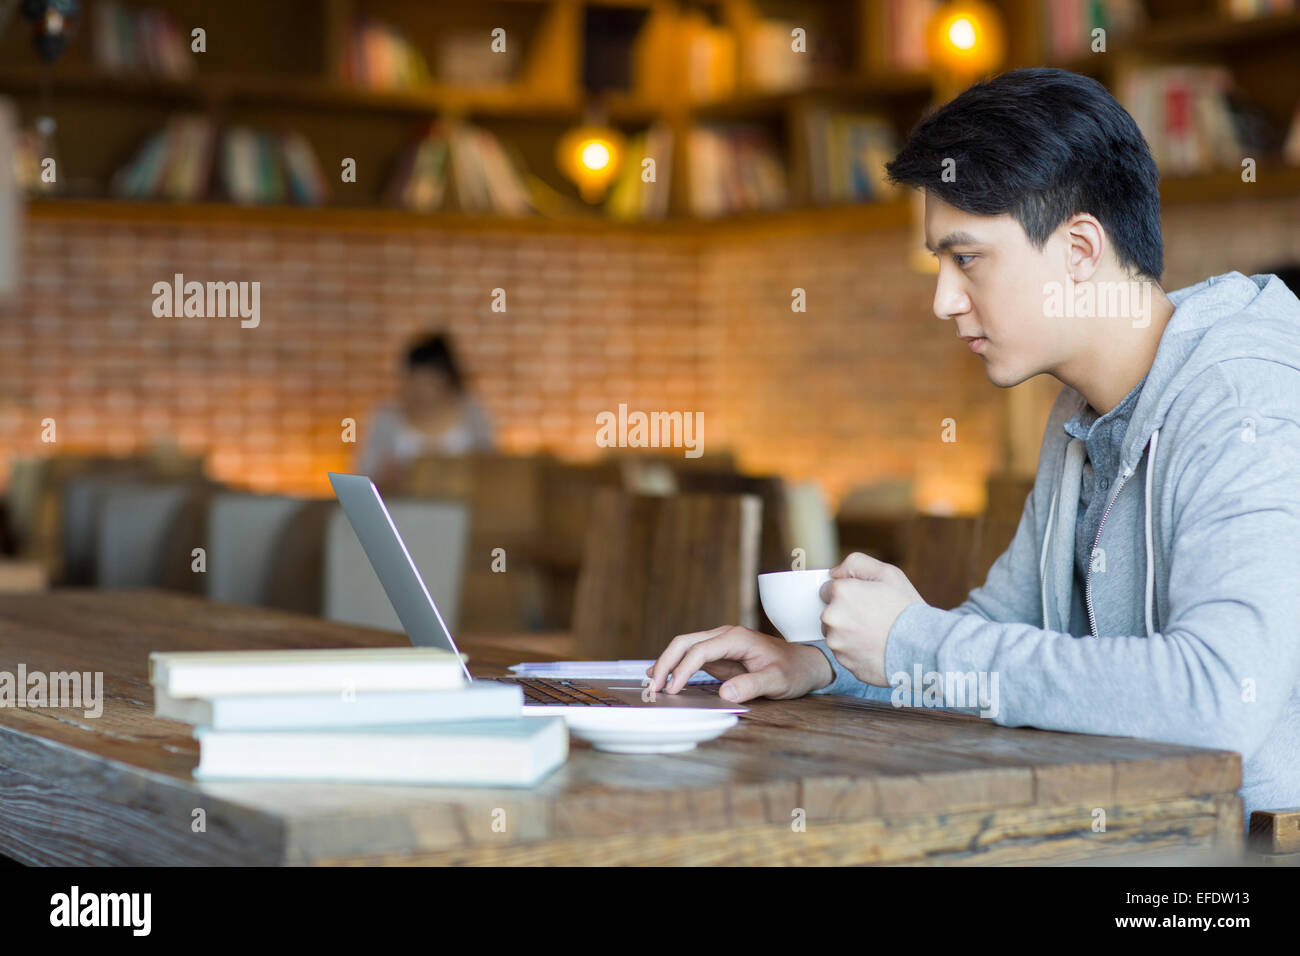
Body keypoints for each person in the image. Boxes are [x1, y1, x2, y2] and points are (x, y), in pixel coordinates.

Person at [646, 68, 1300, 828]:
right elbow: (1000, 626)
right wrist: (825, 667)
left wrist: (915, 643)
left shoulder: (1245, 398)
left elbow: (1218, 696)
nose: (943, 300)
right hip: (1126, 826)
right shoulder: (1081, 408)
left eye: (967, 258)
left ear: (1080, 250)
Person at [355, 333, 494, 490]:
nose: (423, 392)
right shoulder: (386, 418)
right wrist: (383, 478)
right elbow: (361, 480)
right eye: (415, 382)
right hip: (402, 510)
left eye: (430, 382)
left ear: (446, 381)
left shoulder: (472, 414)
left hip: (461, 509)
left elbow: (491, 471)